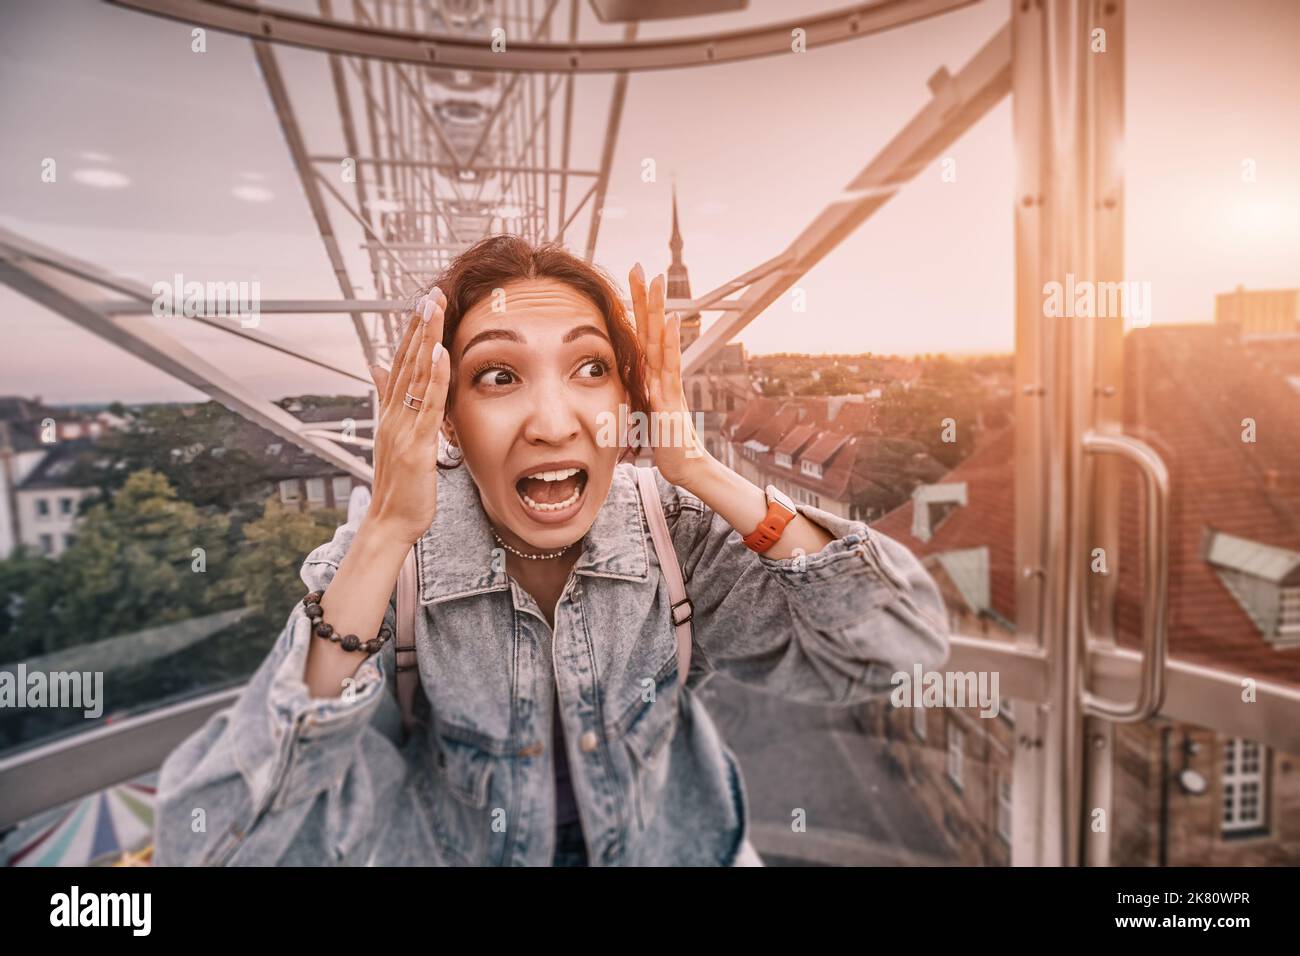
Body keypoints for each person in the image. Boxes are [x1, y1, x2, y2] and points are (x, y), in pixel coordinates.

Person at [153, 235, 951, 867]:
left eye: (592, 368)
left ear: (626, 398)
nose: (553, 419)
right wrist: (387, 532)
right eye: (498, 375)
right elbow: (213, 843)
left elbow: (897, 646)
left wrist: (702, 468)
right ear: (447, 418)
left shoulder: (675, 536)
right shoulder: (383, 568)